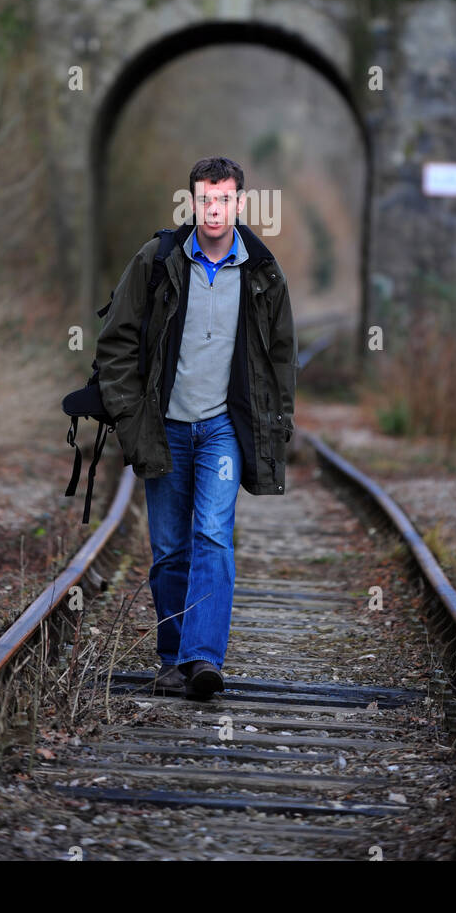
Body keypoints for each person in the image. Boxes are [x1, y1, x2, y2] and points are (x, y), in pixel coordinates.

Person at [94, 155, 298, 699]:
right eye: (206, 199)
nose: (215, 208)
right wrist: (132, 419)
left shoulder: (262, 271)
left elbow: (280, 356)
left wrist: (276, 424)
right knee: (168, 549)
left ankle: (203, 659)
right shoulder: (157, 261)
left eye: (225, 199)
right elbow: (114, 343)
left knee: (212, 534)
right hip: (165, 429)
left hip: (222, 429)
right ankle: (171, 658)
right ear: (192, 202)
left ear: (240, 203)